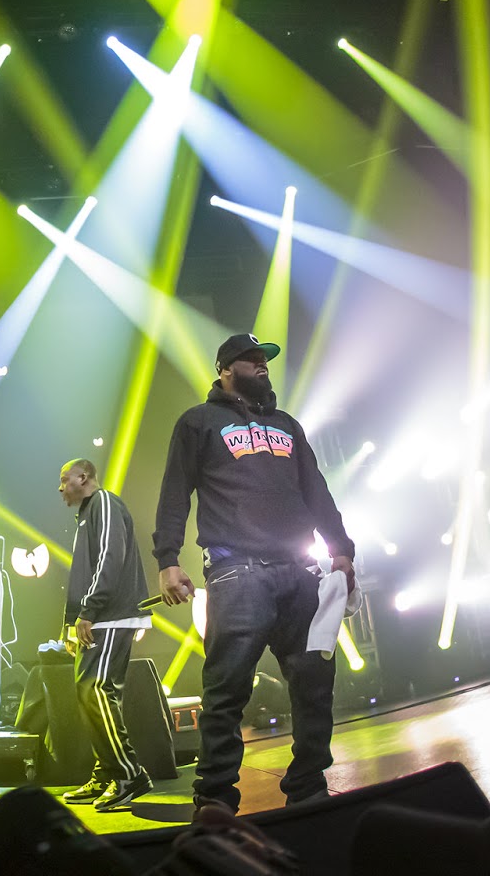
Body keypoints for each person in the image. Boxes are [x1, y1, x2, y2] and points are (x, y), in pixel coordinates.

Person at [154, 333, 356, 813]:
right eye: (250, 359)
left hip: (301, 570)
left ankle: (307, 785)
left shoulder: (287, 426)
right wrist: (167, 559)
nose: (262, 365)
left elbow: (317, 490)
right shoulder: (198, 422)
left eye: (264, 359)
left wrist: (341, 550)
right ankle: (215, 798)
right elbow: (175, 492)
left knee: (314, 682)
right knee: (226, 691)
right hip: (235, 570)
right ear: (225, 369)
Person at [56, 457, 153, 811]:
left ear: (84, 477)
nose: (61, 487)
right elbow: (83, 574)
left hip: (111, 616)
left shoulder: (106, 502)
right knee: (89, 693)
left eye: (65, 479)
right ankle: (109, 772)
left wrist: (89, 612)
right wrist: (71, 624)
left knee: (95, 688)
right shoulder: (86, 516)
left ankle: (129, 774)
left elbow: (111, 556)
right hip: (97, 618)